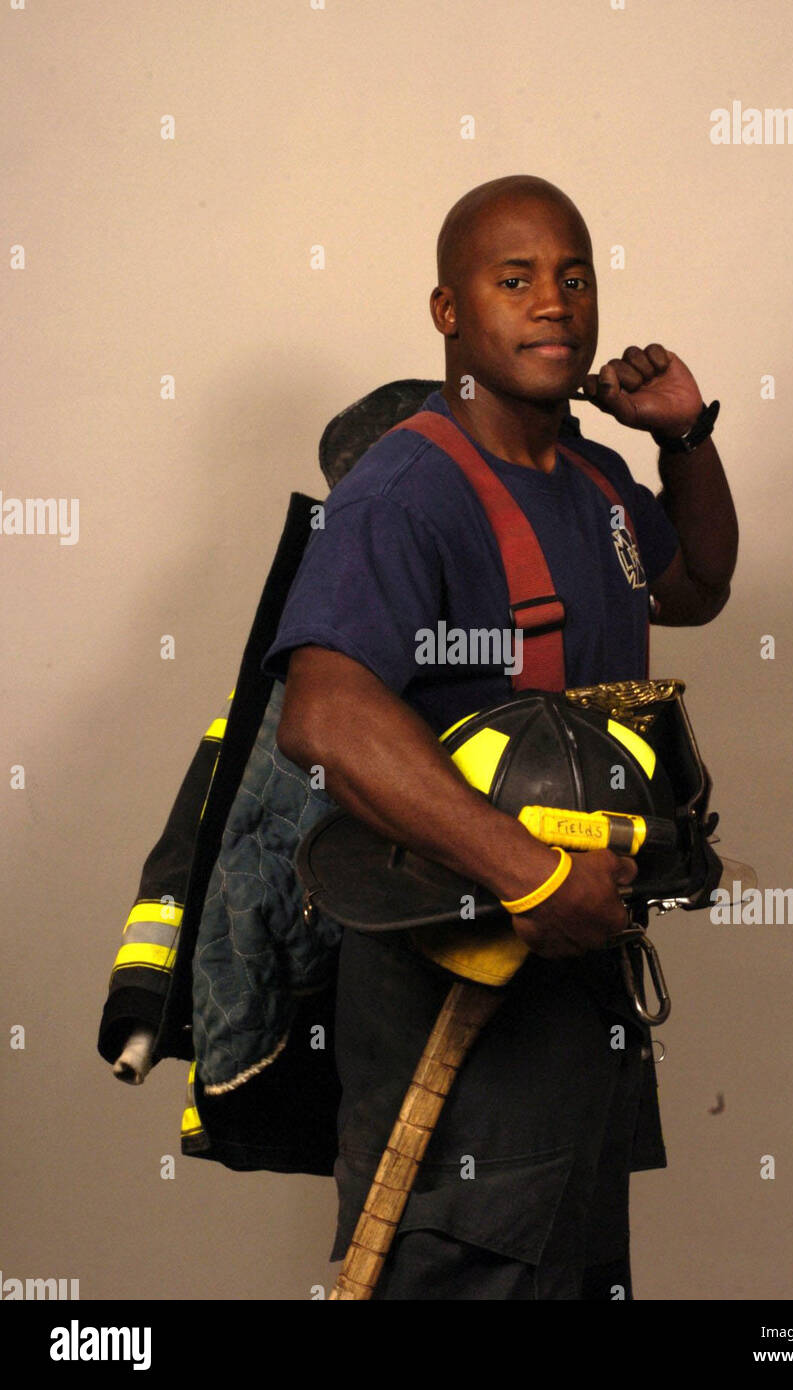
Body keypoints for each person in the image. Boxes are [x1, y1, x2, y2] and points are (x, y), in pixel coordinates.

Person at [264, 173, 738, 1299]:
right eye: (513, 278)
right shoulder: (406, 492)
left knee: (570, 1270)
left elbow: (699, 582)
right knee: (470, 1265)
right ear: (447, 312)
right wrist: (530, 875)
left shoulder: (595, 479)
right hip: (455, 988)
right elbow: (323, 715)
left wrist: (686, 439)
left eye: (573, 278)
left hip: (579, 989)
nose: (554, 303)